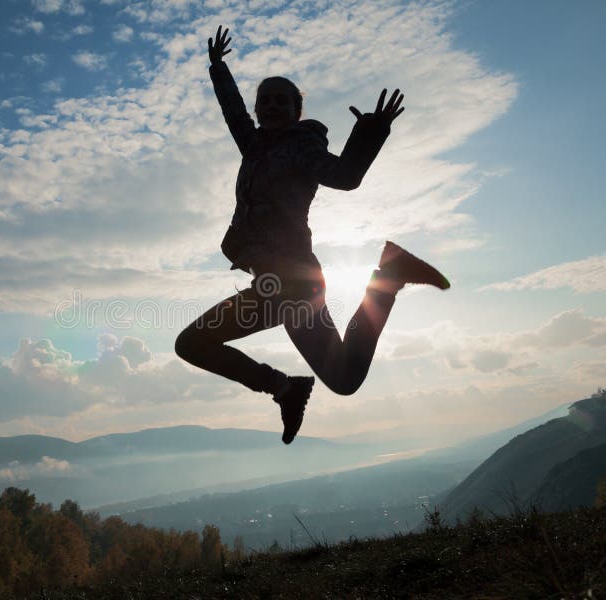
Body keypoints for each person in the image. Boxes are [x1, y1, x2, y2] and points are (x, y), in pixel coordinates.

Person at [175, 25, 450, 444]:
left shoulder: (302, 148)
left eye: (281, 101)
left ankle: (388, 279)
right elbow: (233, 113)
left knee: (338, 375)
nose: (270, 107)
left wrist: (371, 130)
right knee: (196, 344)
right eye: (264, 100)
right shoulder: (254, 145)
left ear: (297, 110)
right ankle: (288, 387)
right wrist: (218, 68)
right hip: (274, 286)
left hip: (294, 284)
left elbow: (345, 176)